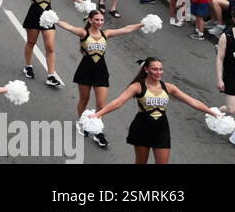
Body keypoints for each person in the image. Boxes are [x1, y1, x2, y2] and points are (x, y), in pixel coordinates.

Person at [92, 57, 223, 164]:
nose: (158, 72)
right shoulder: (137, 86)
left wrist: (212, 112)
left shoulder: (169, 87)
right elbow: (118, 102)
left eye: (160, 69)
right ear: (146, 69)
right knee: (140, 162)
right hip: (142, 128)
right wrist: (98, 114)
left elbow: (191, 101)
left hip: (162, 129)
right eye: (155, 69)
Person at [54, 11, 145, 148]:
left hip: (101, 71)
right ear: (90, 20)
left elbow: (125, 29)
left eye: (102, 20)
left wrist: (142, 24)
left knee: (101, 105)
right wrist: (54, 19)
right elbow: (68, 26)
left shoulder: (106, 34)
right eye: (96, 20)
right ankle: (82, 123)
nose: (100, 22)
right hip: (85, 70)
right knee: (84, 100)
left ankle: (98, 132)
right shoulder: (83, 33)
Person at [0, 0, 84, 87]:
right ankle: (28, 66)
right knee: (31, 43)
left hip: (48, 17)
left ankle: (51, 76)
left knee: (50, 47)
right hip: (34, 16)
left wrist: (82, 2)